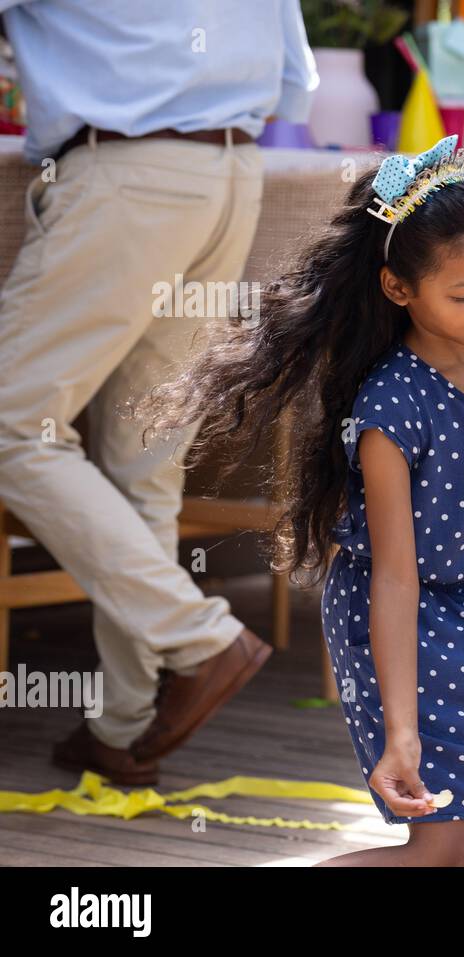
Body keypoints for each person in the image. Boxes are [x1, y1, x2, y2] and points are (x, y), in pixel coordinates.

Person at [135, 134, 464, 867]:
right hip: (400, 621)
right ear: (398, 288)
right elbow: (394, 575)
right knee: (440, 854)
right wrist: (402, 732)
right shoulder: (391, 405)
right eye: (463, 293)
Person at [0, 1, 317, 785]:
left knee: (11, 423)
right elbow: (295, 82)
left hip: (128, 176)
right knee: (144, 456)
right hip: (230, 176)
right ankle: (122, 726)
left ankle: (200, 636)